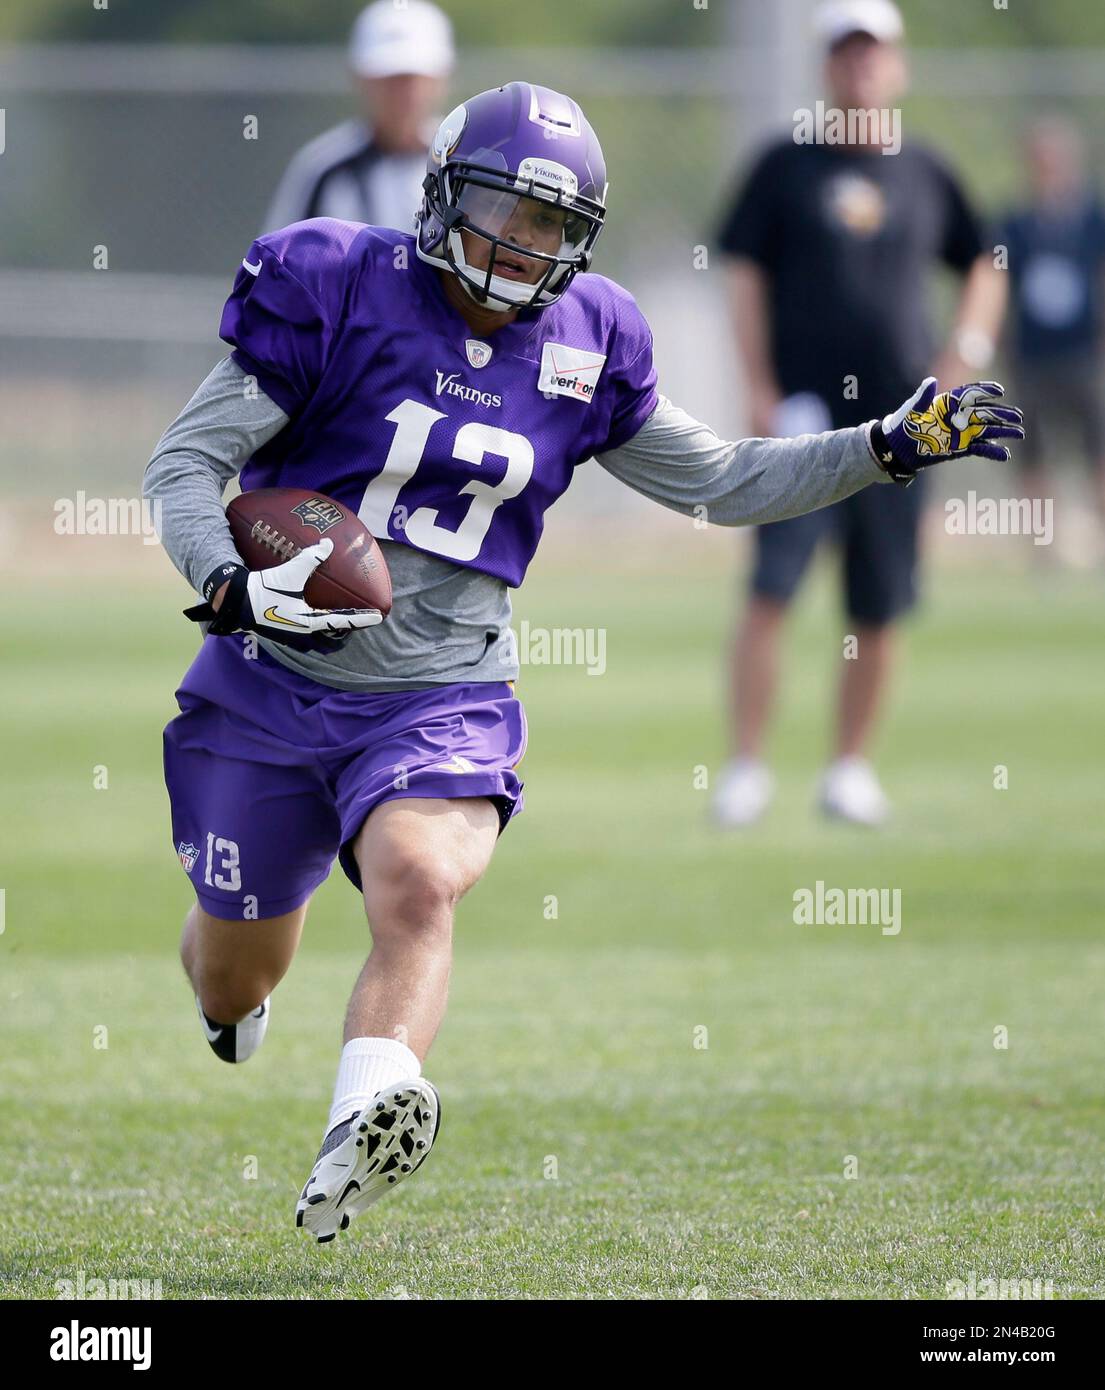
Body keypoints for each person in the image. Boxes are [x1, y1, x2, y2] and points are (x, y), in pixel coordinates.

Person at [143, 80, 1022, 1243]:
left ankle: (373, 1104)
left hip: (441, 688)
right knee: (234, 973)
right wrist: (229, 582)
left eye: (551, 226)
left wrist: (883, 445)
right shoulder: (337, 285)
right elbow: (182, 466)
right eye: (505, 211)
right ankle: (239, 999)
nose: (523, 243)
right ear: (444, 194)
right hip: (268, 677)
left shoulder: (585, 340)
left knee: (418, 880)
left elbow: (720, 478)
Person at [713, 0, 1007, 827]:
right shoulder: (783, 165)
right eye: (844, 54)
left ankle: (847, 768)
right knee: (771, 589)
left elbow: (983, 261)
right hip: (804, 423)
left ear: (897, 65)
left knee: (877, 601)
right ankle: (744, 768)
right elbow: (741, 273)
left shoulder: (925, 170)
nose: (859, 68)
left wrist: (963, 361)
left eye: (872, 53)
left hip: (903, 425)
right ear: (824, 68)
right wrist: (757, 382)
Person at [262, 0, 454, 235]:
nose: (403, 92)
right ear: (359, 78)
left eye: (412, 79)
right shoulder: (324, 170)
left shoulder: (462, 167)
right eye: (388, 79)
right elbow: (276, 260)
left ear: (441, 79)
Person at [1001, 116, 1105, 528]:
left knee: (1096, 444)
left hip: (1083, 352)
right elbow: (998, 286)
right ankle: (1042, 542)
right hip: (1031, 354)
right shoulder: (1015, 225)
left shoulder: (1093, 220)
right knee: (1032, 448)